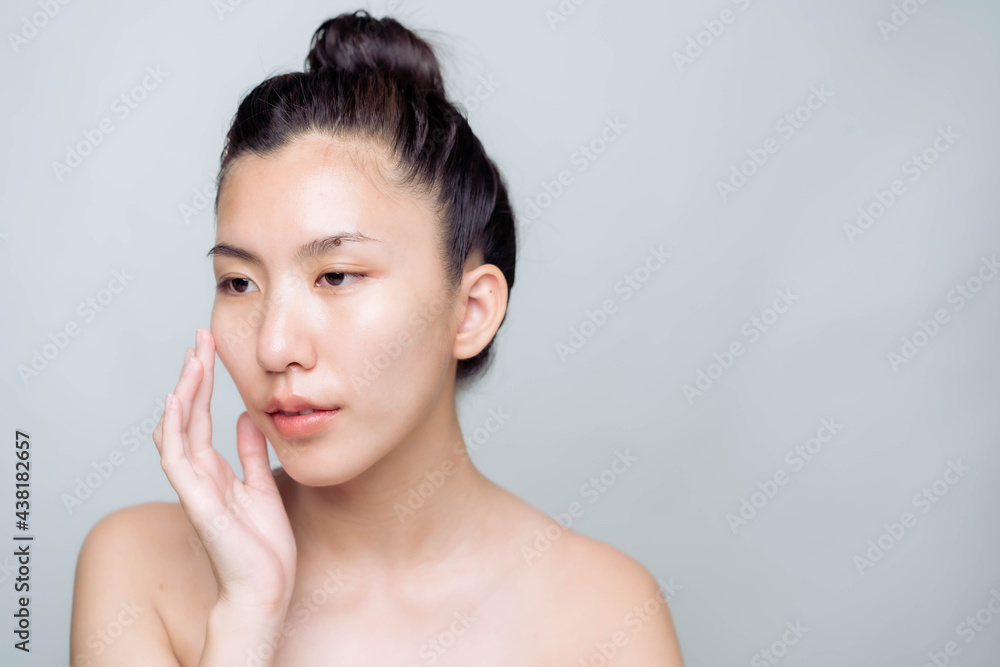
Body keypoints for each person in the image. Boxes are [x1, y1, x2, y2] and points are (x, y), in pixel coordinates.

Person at [70, 10, 685, 666]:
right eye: (240, 283)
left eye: (336, 276)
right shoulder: (141, 568)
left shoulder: (605, 616)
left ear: (470, 311)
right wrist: (248, 617)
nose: (274, 347)